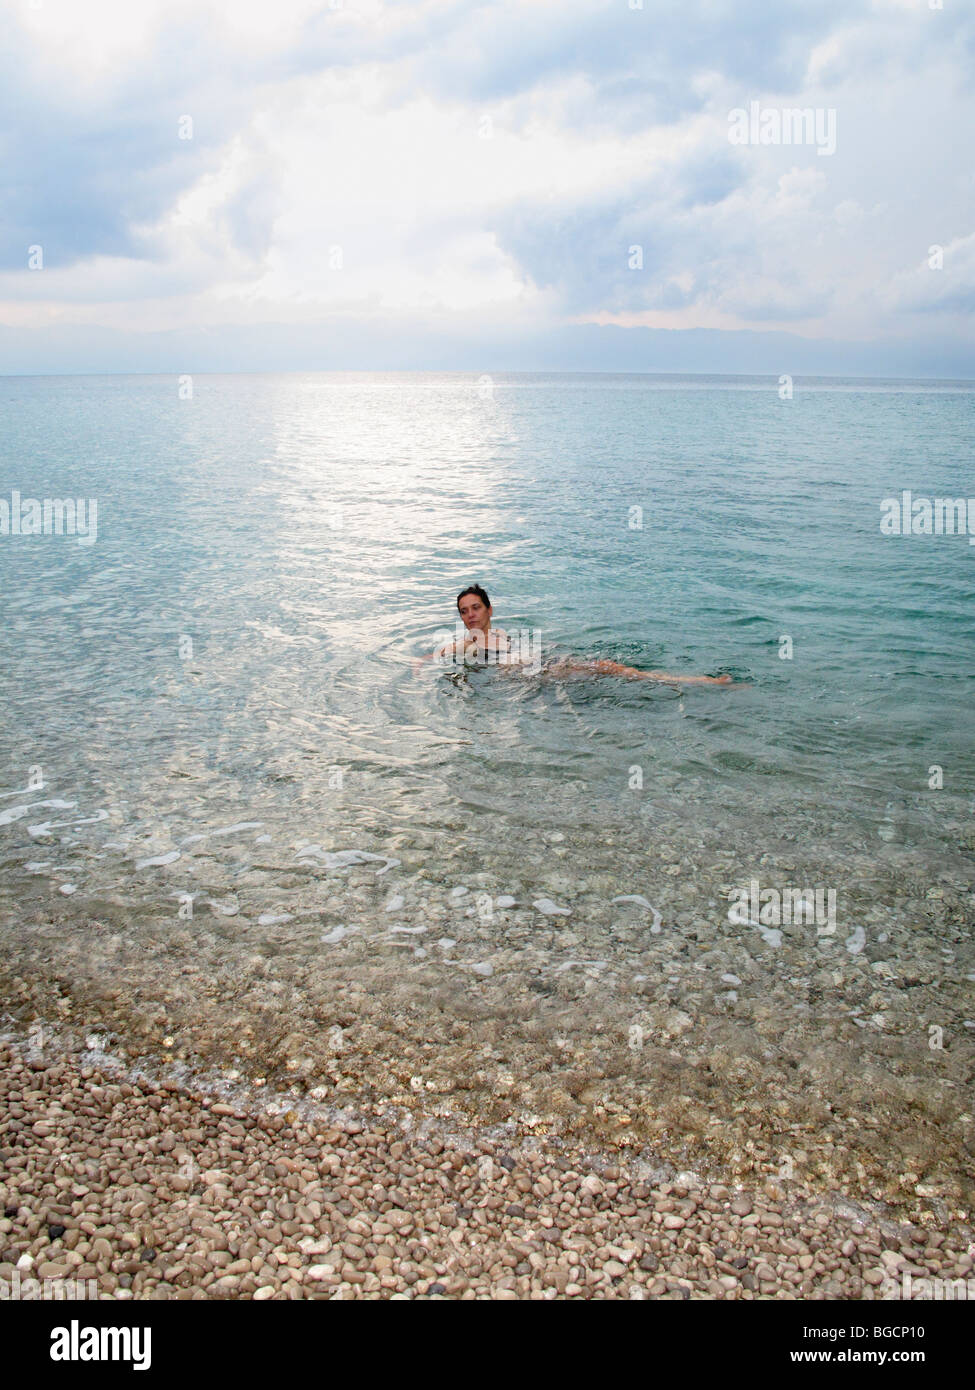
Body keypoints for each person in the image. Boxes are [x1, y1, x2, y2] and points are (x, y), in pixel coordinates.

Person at [413, 585, 735, 685]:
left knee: (610, 668)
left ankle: (685, 681)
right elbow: (437, 655)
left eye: (475, 608)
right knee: (611, 668)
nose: (469, 615)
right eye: (464, 611)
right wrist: (421, 663)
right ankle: (694, 682)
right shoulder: (469, 641)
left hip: (543, 664)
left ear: (489, 609)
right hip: (535, 676)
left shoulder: (496, 632)